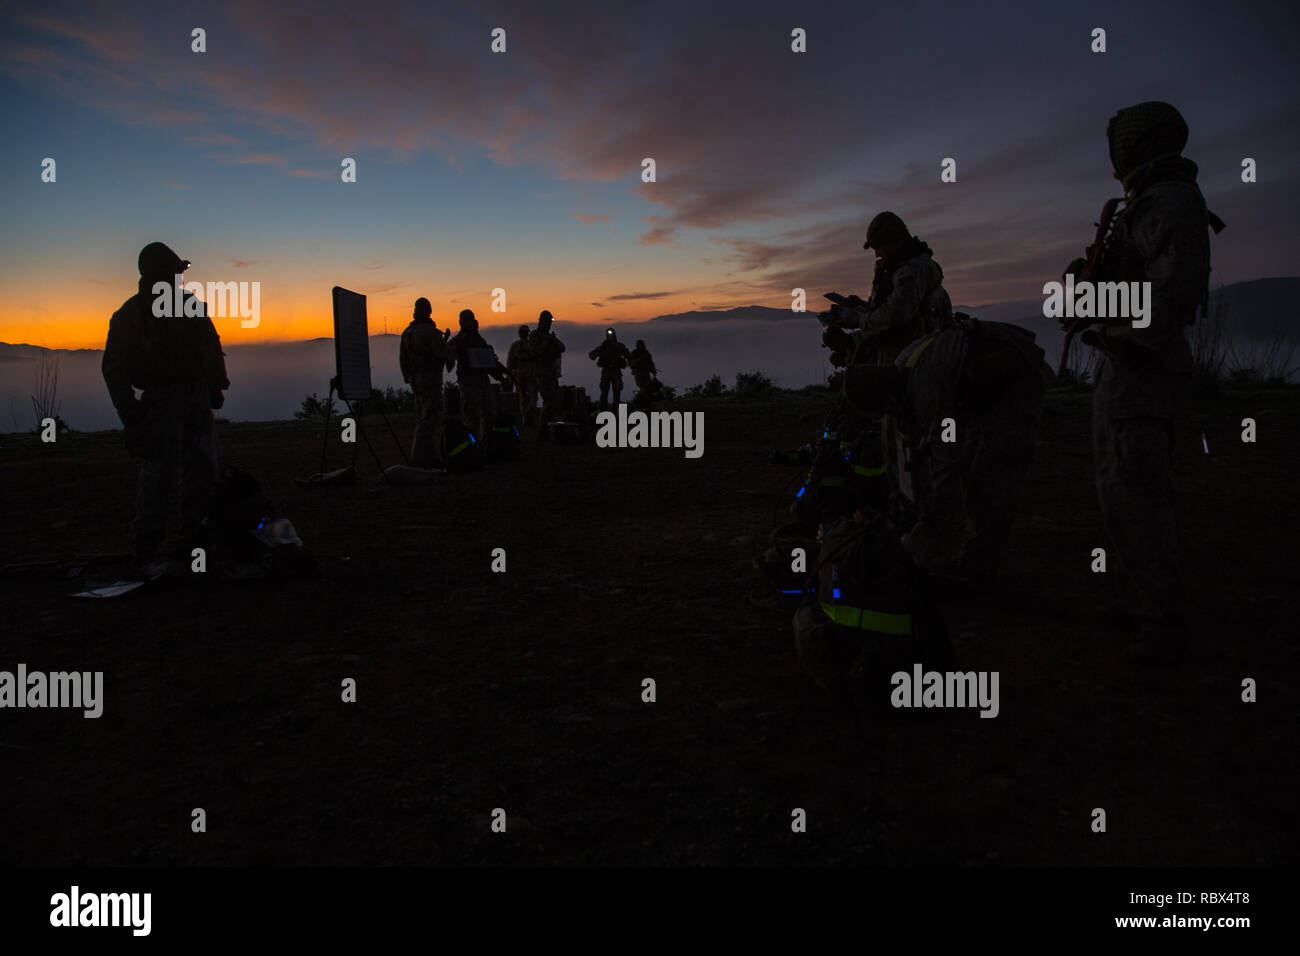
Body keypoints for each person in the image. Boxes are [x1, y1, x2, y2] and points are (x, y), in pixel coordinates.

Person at [1074, 101, 1216, 664]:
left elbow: (1175, 288)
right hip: (1124, 361)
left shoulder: (1170, 200)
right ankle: (1145, 600)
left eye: (1121, 144)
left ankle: (1163, 617)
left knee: (1137, 489)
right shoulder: (1144, 203)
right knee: (1121, 489)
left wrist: (1119, 321)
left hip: (1141, 365)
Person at [842, 317, 1045, 585]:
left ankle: (979, 568)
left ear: (885, 397)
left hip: (1015, 381)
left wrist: (931, 519)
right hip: (977, 385)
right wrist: (903, 505)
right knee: (969, 463)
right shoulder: (900, 371)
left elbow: (945, 456)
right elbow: (906, 448)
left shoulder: (928, 389)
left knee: (991, 470)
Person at [102, 242, 229, 563]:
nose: (178, 278)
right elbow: (114, 368)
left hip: (196, 398)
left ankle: (195, 542)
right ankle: (147, 548)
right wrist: (131, 416)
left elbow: (212, 345)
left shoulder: (189, 306)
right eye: (174, 272)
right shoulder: (132, 315)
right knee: (160, 475)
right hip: (161, 403)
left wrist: (215, 386)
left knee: (203, 472)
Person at [828, 211, 952, 367]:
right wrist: (863, 306)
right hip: (900, 350)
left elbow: (897, 312)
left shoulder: (913, 269)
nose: (877, 254)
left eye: (879, 247)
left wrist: (860, 320)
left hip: (914, 357)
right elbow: (891, 307)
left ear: (895, 242)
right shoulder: (898, 267)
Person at [399, 297, 451, 467]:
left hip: (416, 379)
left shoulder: (408, 332)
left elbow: (403, 359)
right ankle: (421, 457)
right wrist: (450, 349)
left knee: (422, 415)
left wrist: (408, 377)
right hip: (430, 378)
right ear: (428, 310)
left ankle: (424, 455)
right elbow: (442, 353)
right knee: (429, 417)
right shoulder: (429, 331)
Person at [447, 309, 504, 440]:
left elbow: (489, 362)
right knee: (471, 418)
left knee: (489, 413)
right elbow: (449, 356)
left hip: (482, 381)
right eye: (467, 320)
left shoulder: (478, 339)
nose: (470, 323)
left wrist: (500, 377)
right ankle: (472, 446)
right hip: (468, 382)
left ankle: (486, 444)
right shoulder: (459, 340)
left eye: (470, 320)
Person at [528, 309, 566, 434]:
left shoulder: (549, 336)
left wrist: (553, 340)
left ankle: (550, 429)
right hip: (542, 373)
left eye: (550, 322)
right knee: (548, 402)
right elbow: (536, 352)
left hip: (551, 373)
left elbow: (562, 348)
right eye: (548, 321)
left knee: (555, 402)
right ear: (542, 321)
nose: (549, 324)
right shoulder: (535, 335)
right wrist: (546, 342)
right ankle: (542, 431)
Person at [588, 327, 632, 409]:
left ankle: (615, 411)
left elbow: (628, 355)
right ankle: (603, 410)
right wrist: (600, 351)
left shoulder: (618, 346)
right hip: (607, 371)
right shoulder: (603, 346)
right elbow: (591, 355)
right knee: (605, 393)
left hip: (615, 371)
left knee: (616, 393)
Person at [506, 324, 536, 428]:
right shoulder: (516, 345)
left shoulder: (531, 344)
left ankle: (528, 418)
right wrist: (510, 376)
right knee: (524, 398)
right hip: (520, 373)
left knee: (532, 398)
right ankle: (526, 419)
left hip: (530, 373)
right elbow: (510, 362)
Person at [628, 339, 658, 405]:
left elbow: (650, 363)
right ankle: (640, 401)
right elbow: (630, 363)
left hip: (646, 373)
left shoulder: (646, 353)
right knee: (644, 388)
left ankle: (644, 402)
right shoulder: (635, 353)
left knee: (647, 388)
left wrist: (654, 372)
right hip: (638, 373)